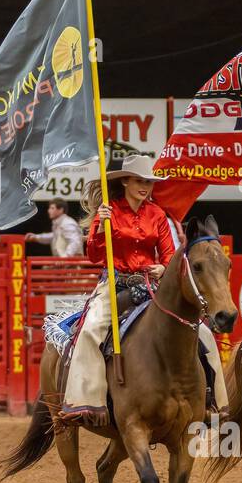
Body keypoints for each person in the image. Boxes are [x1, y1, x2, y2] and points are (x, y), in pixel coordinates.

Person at [60, 154, 228, 427]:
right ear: (125, 181)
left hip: (151, 286)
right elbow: (93, 255)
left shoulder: (157, 214)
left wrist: (163, 269)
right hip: (115, 283)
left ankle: (218, 403)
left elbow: (171, 256)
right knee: (90, 330)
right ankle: (86, 400)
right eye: (139, 181)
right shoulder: (109, 211)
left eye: (148, 182)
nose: (145, 187)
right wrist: (101, 228)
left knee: (204, 333)